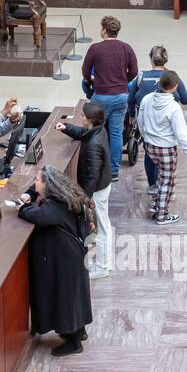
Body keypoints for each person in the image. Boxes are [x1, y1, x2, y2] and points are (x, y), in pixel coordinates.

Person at [17, 165, 93, 356]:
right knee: (72, 296)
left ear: (46, 184)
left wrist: (23, 208)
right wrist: (31, 195)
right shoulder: (64, 198)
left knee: (65, 298)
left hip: (65, 259)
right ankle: (78, 331)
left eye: (37, 180)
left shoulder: (55, 205)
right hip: (70, 256)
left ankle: (74, 342)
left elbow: (41, 216)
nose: (34, 182)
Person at [55, 102, 113, 279]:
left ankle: (102, 267)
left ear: (90, 120)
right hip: (102, 185)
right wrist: (66, 128)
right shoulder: (98, 130)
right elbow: (84, 134)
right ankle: (104, 262)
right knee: (103, 225)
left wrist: (84, 198)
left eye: (82, 116)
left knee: (101, 229)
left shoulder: (94, 143)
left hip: (96, 190)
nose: (80, 117)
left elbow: (92, 175)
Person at [80, 15, 139, 180]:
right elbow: (133, 72)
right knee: (116, 133)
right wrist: (122, 82)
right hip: (121, 97)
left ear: (104, 30)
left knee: (95, 132)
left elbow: (85, 71)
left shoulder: (95, 49)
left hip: (101, 97)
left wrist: (91, 79)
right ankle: (113, 171)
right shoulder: (126, 48)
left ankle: (95, 167)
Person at [128, 45, 187, 200]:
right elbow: (186, 100)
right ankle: (167, 189)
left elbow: (130, 98)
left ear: (150, 59)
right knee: (167, 160)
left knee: (150, 155)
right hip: (167, 126)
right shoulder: (172, 78)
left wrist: (131, 116)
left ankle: (152, 186)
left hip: (147, 124)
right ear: (166, 59)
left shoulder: (141, 76)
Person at [138, 70, 187, 225]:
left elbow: (140, 121)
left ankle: (155, 206)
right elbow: (181, 134)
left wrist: (145, 137)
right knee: (167, 181)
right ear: (175, 87)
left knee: (159, 178)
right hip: (166, 148)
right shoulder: (173, 107)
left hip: (150, 145)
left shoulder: (147, 99)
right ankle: (162, 215)